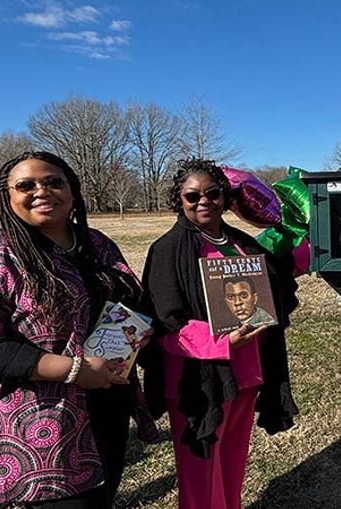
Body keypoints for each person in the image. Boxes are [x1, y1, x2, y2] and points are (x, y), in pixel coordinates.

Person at [0, 151, 159, 508]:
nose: (42, 191)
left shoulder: (97, 244)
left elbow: (129, 303)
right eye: (26, 185)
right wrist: (75, 371)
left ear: (72, 191)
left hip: (108, 404)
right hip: (41, 424)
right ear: (7, 196)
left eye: (54, 181)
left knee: (102, 497)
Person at [139, 159, 303, 509]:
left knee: (231, 467)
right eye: (192, 195)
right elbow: (164, 326)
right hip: (199, 383)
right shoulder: (168, 250)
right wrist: (220, 341)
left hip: (247, 376)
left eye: (212, 193)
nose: (203, 201)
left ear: (225, 197)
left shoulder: (242, 243)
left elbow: (278, 280)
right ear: (178, 200)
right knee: (200, 478)